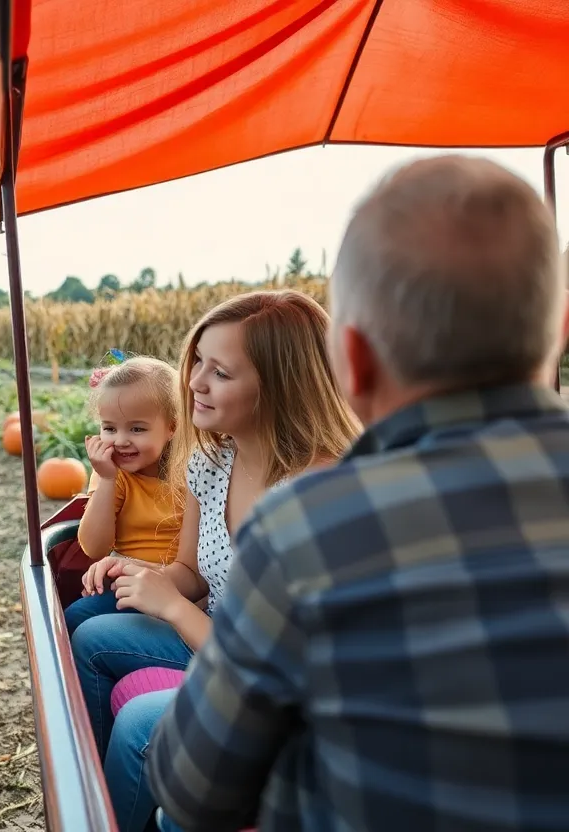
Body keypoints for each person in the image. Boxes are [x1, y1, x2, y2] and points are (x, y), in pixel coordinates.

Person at [148, 155, 569, 831]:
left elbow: (196, 789)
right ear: (561, 326)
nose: (197, 380)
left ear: (354, 359)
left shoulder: (309, 528)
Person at [76, 290, 359, 832]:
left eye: (220, 372)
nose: (195, 382)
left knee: (140, 725)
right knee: (90, 638)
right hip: (224, 640)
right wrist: (149, 577)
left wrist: (175, 611)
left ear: (281, 386)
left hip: (292, 697)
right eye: (197, 361)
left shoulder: (319, 495)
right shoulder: (213, 461)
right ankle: (94, 805)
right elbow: (192, 573)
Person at [62, 355, 186, 635]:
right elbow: (94, 548)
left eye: (137, 428)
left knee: (85, 622)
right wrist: (106, 479)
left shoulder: (191, 474)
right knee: (76, 616)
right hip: (128, 585)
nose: (120, 440)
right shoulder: (114, 475)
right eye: (109, 428)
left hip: (181, 587)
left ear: (172, 427)